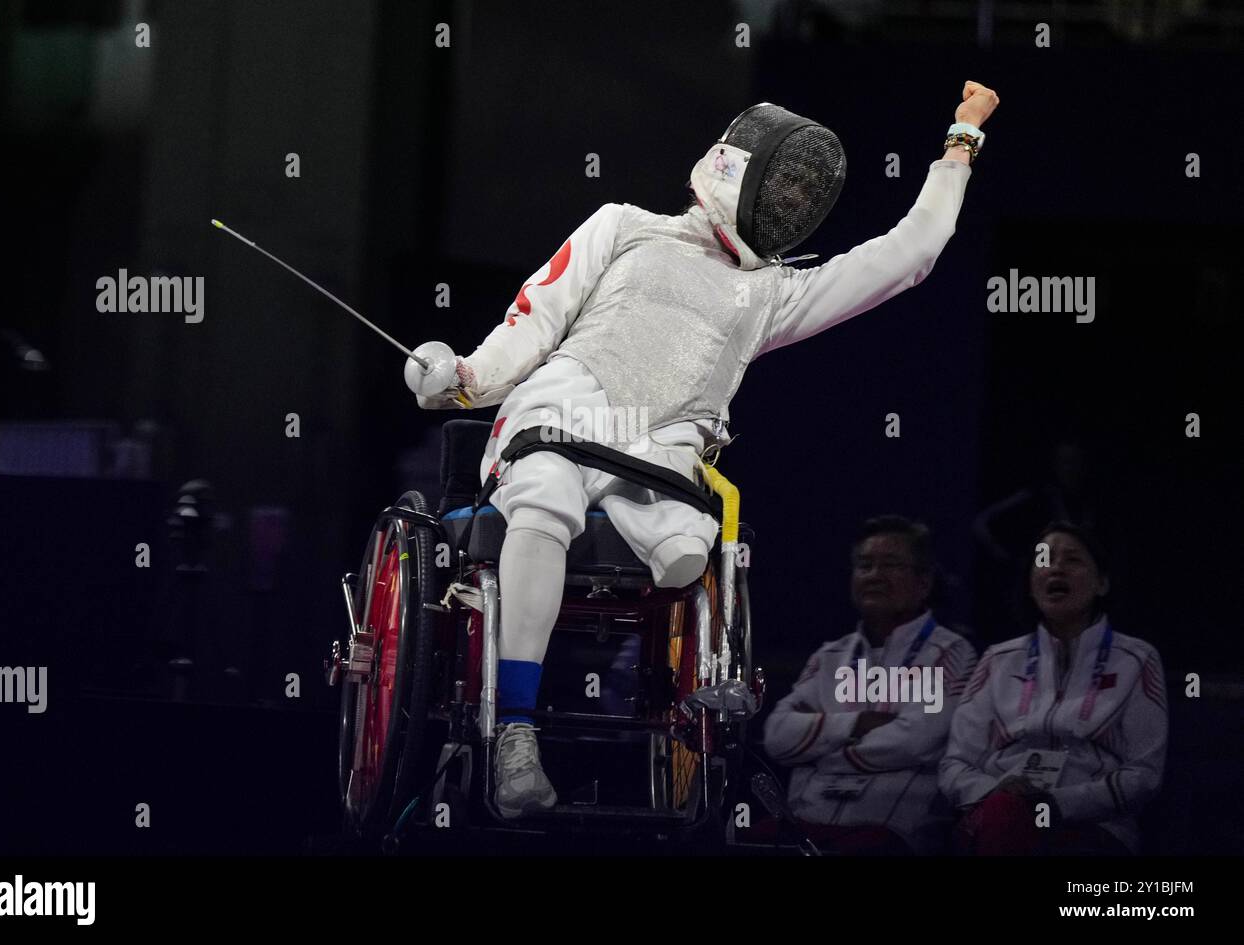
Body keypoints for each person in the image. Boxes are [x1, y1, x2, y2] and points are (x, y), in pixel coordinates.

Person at [418, 84, 1000, 819]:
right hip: (562, 418)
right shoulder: (623, 225)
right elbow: (534, 317)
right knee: (544, 505)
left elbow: (907, 255)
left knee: (687, 556)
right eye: (785, 184)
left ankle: (689, 718)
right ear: (737, 167)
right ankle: (515, 734)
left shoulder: (774, 294)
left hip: (659, 458)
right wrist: (467, 378)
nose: (792, 202)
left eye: (804, 194)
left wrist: (961, 140)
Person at [939, 523, 1168, 854]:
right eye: (1044, 559)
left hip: (1093, 827)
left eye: (1072, 559)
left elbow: (1144, 774)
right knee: (1003, 819)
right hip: (997, 815)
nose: (1056, 568)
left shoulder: (1137, 658)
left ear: (1102, 583)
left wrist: (1058, 803)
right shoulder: (997, 659)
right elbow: (955, 765)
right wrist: (996, 791)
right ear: (1031, 586)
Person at [763, 516, 977, 853]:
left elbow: (917, 741)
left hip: (891, 832)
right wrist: (858, 723)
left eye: (890, 565)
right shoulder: (828, 656)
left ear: (923, 582)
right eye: (865, 565)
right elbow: (777, 736)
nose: (875, 575)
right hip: (805, 823)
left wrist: (820, 747)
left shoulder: (951, 652)